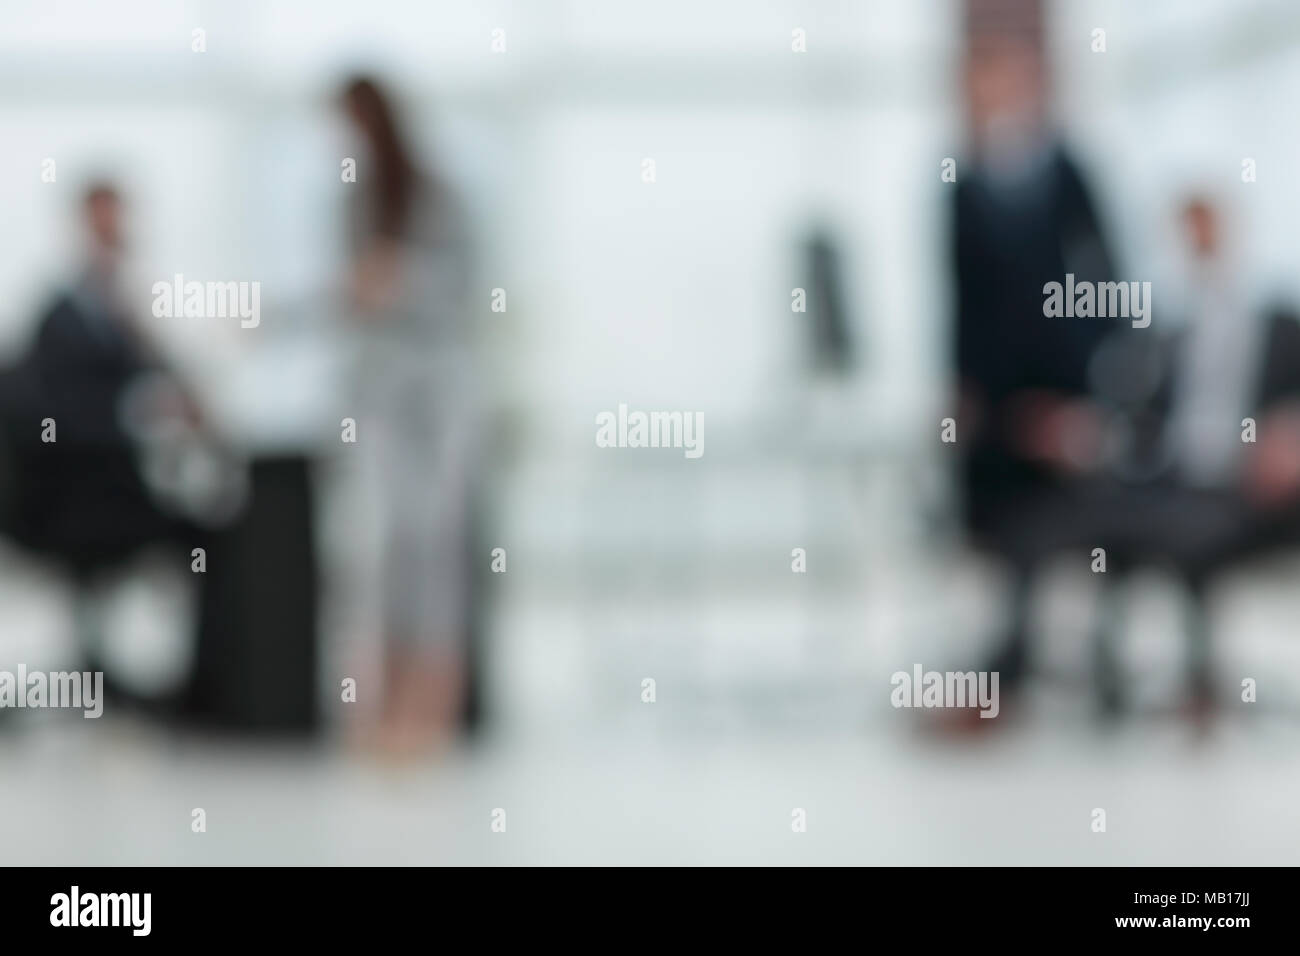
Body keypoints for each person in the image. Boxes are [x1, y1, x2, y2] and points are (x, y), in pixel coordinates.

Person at [950, 0, 1122, 713]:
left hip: (1062, 396)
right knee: (997, 498)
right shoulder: (962, 186)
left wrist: (1079, 397)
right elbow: (959, 302)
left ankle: (1019, 667)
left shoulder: (1069, 173)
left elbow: (1105, 286)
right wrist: (963, 393)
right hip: (994, 404)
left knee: (1067, 497)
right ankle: (1009, 660)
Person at [337, 75, 479, 755]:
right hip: (379, 390)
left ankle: (431, 711)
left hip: (439, 387)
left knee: (435, 546)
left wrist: (403, 279)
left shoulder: (442, 192)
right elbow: (348, 291)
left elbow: (470, 287)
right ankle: (378, 708)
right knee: (383, 550)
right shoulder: (353, 198)